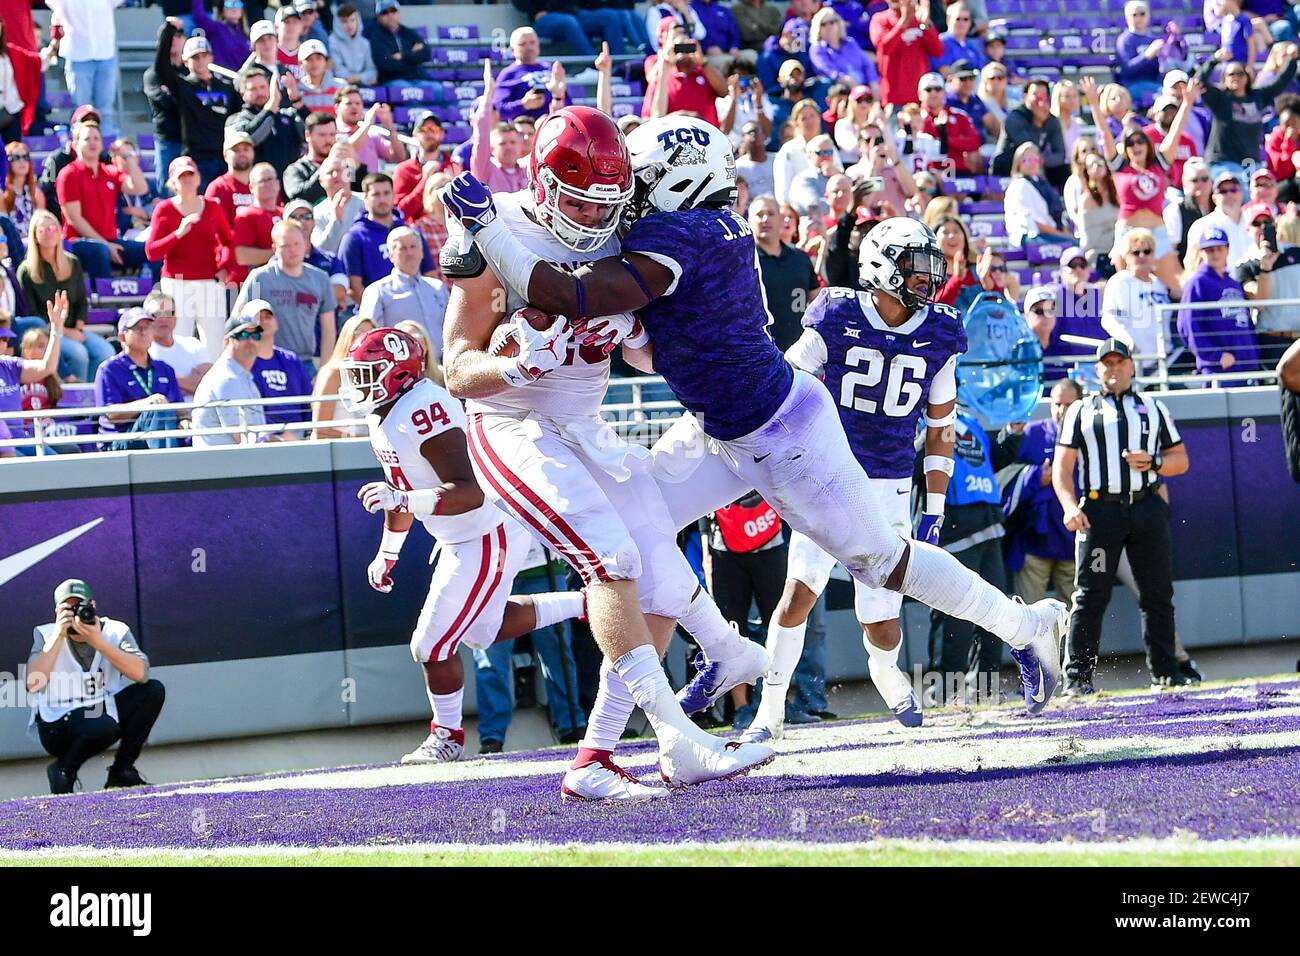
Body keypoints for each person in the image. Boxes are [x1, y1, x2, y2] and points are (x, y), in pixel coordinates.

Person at [441, 117, 1071, 730]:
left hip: (781, 434)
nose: (629, 193)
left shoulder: (689, 234)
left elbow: (571, 293)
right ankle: (693, 672)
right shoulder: (695, 229)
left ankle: (1027, 625)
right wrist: (625, 327)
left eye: (645, 178)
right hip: (718, 429)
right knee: (643, 537)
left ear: (679, 182)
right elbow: (653, 344)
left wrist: (488, 227)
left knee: (883, 561)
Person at [438, 107, 775, 790]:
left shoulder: (621, 224)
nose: (593, 222)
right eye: (579, 203)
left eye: (605, 207)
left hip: (585, 424)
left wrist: (633, 333)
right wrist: (513, 368)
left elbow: (649, 357)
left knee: (654, 553)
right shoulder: (497, 230)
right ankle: (679, 738)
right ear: (539, 182)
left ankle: (597, 757)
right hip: (511, 423)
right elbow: (456, 368)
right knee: (612, 558)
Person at [752, 255, 964, 735]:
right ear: (884, 269)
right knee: (799, 592)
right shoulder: (837, 314)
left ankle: (885, 671)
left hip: (889, 485)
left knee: (882, 619)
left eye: (932, 269)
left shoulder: (942, 331)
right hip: (828, 473)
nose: (929, 280)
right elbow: (779, 384)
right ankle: (771, 706)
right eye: (916, 268)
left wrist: (934, 507)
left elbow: (941, 428)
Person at [1053, 338, 1191, 694]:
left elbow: (1181, 460)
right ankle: (1078, 679)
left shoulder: (1153, 407)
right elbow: (1062, 469)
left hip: (1146, 506)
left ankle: (1165, 673)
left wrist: (1154, 462)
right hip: (1100, 511)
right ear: (1097, 370)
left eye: (1120, 362)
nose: (1114, 369)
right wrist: (1070, 507)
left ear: (1132, 366)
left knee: (1157, 592)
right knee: (1089, 594)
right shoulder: (1080, 411)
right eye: (1107, 363)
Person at [26, 579, 165, 794]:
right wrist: (58, 636)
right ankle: (64, 770)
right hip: (57, 722)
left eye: (80, 607)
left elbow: (141, 674)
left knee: (152, 691)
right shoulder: (46, 634)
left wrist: (98, 641)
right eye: (68, 608)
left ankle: (122, 770)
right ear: (56, 612)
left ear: (93, 605)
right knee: (102, 723)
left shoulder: (115, 631)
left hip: (103, 711)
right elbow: (33, 684)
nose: (75, 614)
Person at [1082, 76, 1193, 294]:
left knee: (1178, 286)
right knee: (1127, 288)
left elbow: (1175, 132)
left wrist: (1187, 103)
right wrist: (1094, 103)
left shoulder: (1160, 163)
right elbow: (1105, 134)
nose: (1136, 146)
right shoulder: (1119, 164)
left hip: (1158, 231)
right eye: (1131, 143)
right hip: (1128, 231)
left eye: (1141, 141)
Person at [701, 493, 791, 731]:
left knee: (779, 626)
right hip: (724, 549)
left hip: (771, 542)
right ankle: (741, 707)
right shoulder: (713, 456)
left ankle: (778, 702)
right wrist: (705, 553)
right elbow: (701, 496)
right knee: (732, 631)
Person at [1003, 379, 1082, 610]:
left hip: (1073, 541)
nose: (1062, 411)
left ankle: (1075, 650)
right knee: (1029, 617)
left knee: (1076, 615)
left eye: (1069, 405)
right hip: (1033, 544)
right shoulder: (1032, 433)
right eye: (1057, 404)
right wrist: (1035, 477)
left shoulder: (1090, 434)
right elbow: (1005, 479)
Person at [145, 156, 234, 358]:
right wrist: (177, 233)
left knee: (215, 342)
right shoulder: (165, 209)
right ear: (172, 182)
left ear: (198, 178)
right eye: (181, 176)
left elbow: (228, 241)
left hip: (209, 282)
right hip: (177, 283)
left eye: (190, 174)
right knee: (178, 338)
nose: (186, 179)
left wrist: (224, 268)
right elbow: (152, 252)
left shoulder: (212, 206)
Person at [55, 122, 150, 282]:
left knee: (149, 250)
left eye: (96, 138)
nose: (92, 142)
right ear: (75, 144)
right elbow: (75, 219)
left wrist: (127, 157)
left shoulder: (109, 172)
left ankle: (156, 300)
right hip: (78, 241)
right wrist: (105, 245)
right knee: (99, 251)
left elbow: (140, 188)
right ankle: (106, 302)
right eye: (87, 139)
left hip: (110, 240)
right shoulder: (68, 174)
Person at [234, 219, 335, 366]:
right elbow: (239, 320)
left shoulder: (320, 279)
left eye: (297, 244)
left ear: (306, 244)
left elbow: (329, 330)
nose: (292, 250)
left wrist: (324, 370)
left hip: (304, 362)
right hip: (264, 359)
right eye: (285, 245)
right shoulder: (259, 278)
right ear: (274, 248)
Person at [1194, 44, 1299, 183]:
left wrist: (1292, 59)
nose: (1236, 77)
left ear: (1247, 77)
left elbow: (1280, 82)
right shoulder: (1220, 98)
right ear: (1224, 78)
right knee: (1240, 192)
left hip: (1250, 163)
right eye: (1231, 74)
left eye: (1240, 73)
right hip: (1223, 163)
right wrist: (1214, 60)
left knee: (1262, 191)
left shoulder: (1258, 96)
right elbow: (1199, 82)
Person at [156, 22, 240, 189]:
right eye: (195, 57)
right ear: (185, 61)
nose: (200, 61)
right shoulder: (183, 87)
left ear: (211, 57)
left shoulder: (227, 87)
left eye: (204, 55)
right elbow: (161, 67)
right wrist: (169, 30)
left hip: (224, 159)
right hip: (197, 160)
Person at [93, 307, 186, 449]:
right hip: (121, 439)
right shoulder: (109, 369)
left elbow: (180, 408)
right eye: (137, 328)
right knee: (156, 410)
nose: (144, 332)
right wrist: (148, 403)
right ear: (122, 337)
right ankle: (167, 464)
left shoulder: (165, 369)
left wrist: (186, 420)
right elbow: (111, 413)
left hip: (162, 433)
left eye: (148, 327)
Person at [1178, 227, 1260, 384]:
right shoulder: (1197, 283)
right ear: (1201, 252)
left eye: (1219, 248)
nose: (1215, 254)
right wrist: (1215, 356)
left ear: (1227, 250)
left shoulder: (1234, 284)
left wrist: (1252, 355)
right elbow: (1188, 325)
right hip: (1219, 370)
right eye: (1209, 250)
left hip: (1246, 367)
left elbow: (1245, 322)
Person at [340, 173, 433, 306]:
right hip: (376, 317)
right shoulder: (354, 238)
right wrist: (378, 312)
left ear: (393, 195)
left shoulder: (410, 232)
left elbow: (429, 273)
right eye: (376, 194)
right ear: (365, 198)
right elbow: (354, 288)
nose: (382, 199)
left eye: (386, 193)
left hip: (416, 314)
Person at [359, 226, 449, 352]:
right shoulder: (378, 291)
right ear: (391, 255)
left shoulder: (437, 287)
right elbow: (369, 339)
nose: (410, 253)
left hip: (442, 365)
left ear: (422, 252)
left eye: (413, 247)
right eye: (403, 248)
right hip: (403, 368)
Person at [749, 194, 820, 350]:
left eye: (771, 213)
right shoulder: (743, 262)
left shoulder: (800, 258)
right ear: (749, 221)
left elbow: (817, 303)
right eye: (759, 215)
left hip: (800, 355)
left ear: (781, 219)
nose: (765, 219)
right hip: (761, 354)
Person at [190, 312, 270, 446]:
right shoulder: (226, 378)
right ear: (227, 341)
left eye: (255, 335)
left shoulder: (240, 376)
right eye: (243, 335)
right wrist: (280, 440)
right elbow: (244, 438)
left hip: (234, 461)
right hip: (223, 463)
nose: (251, 341)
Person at [1235, 207, 1300, 366]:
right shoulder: (1244, 266)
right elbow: (1261, 304)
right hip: (1273, 341)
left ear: (1275, 225)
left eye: (1267, 222)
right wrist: (1265, 267)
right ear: (1247, 230)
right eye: (1257, 223)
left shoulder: (1296, 252)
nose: (1263, 228)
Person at [1101, 227, 1173, 368]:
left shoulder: (1161, 284)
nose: (1142, 256)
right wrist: (1126, 341)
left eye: (1147, 251)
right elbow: (1109, 319)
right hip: (1137, 362)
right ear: (1126, 256)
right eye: (1135, 252)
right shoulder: (1119, 282)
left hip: (1167, 360)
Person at [47, 0, 120, 140]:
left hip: (106, 53)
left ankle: (105, 152)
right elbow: (56, 9)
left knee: (106, 110)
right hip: (78, 55)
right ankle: (79, 149)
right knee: (80, 109)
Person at [0, 294, 62, 457]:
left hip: (21, 438)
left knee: (58, 466)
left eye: (5, 338)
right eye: (0, 337)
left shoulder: (9, 364)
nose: (3, 343)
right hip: (2, 445)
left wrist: (56, 330)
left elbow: (46, 367)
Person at [240, 298, 312, 430]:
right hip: (265, 435)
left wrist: (309, 432)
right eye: (258, 318)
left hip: (298, 432)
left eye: (268, 317)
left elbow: (307, 400)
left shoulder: (292, 360)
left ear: (276, 322)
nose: (264, 321)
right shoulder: (243, 364)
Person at [226, 64, 308, 180]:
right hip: (258, 186)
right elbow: (251, 138)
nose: (259, 93)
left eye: (263, 87)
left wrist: (297, 101)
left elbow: (314, 132)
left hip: (289, 185)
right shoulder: (235, 120)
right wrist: (271, 108)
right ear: (242, 94)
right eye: (253, 89)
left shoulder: (287, 116)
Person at [991, 78, 1067, 187]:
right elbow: (1028, 149)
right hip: (1008, 166)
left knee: (1065, 171)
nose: (1040, 99)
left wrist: (1043, 160)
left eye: (1043, 95)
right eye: (1035, 94)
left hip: (1035, 163)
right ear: (1025, 96)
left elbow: (1060, 154)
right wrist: (1038, 124)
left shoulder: (1051, 120)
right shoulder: (1014, 117)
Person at [870, 0, 943, 108]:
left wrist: (926, 23)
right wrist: (904, 21)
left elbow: (938, 51)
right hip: (894, 101)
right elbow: (884, 48)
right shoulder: (880, 19)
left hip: (920, 100)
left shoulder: (919, 20)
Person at [311, 313, 373, 439]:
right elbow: (320, 430)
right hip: (337, 451)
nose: (365, 340)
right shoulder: (333, 372)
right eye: (359, 333)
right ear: (347, 336)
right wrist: (355, 438)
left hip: (370, 450)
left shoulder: (375, 374)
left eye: (371, 335)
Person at [145, 288, 211, 401]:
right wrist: (192, 382)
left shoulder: (193, 344)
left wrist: (167, 381)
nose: (164, 318)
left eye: (169, 313)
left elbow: (210, 384)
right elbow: (152, 391)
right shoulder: (144, 352)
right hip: (166, 417)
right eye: (157, 314)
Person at [1004, 142, 1072, 247]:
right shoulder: (1019, 185)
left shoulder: (1042, 184)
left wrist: (1064, 233)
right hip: (1029, 237)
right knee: (1072, 244)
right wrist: (1061, 235)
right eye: (1027, 160)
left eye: (1035, 159)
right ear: (1018, 163)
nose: (1032, 163)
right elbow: (1033, 223)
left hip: (1048, 234)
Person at [1184, 170, 1252, 270]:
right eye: (1223, 191)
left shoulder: (1254, 220)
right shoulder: (1202, 225)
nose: (1229, 194)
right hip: (1220, 284)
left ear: (1241, 194)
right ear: (1214, 198)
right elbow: (1192, 264)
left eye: (1233, 190)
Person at [919, 71, 984, 174]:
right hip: (928, 172)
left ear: (944, 92)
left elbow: (975, 141)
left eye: (938, 89)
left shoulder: (959, 115)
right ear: (920, 94)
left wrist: (946, 140)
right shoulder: (917, 118)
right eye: (928, 89)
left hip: (957, 169)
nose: (933, 93)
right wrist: (954, 141)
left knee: (975, 155)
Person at [230, 162, 282, 287]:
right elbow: (242, 256)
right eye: (262, 181)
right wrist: (281, 253)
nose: (267, 184)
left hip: (279, 284)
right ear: (251, 187)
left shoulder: (285, 214)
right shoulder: (246, 215)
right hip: (249, 285)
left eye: (270, 179)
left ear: (278, 184)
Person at [335, 86, 401, 178]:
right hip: (348, 186)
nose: (354, 107)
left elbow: (398, 157)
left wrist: (389, 126)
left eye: (358, 103)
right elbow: (348, 150)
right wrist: (367, 124)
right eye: (348, 103)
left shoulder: (371, 134)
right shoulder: (332, 132)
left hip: (371, 188)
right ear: (337, 108)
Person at [393, 110, 447, 224]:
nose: (429, 133)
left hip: (452, 232)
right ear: (415, 135)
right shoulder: (404, 170)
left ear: (442, 134)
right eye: (423, 130)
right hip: (417, 234)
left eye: (434, 129)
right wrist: (424, 181)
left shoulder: (454, 166)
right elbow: (399, 213)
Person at [494, 27, 556, 123]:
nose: (529, 47)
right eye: (522, 44)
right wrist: (524, 104)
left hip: (550, 126)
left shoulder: (549, 68)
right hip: (523, 132)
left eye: (532, 42)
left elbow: (567, 103)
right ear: (512, 49)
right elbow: (498, 110)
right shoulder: (508, 74)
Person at [367, 0, 433, 87]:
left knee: (437, 89)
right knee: (407, 91)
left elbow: (426, 53)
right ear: (378, 17)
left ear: (399, 13)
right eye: (385, 12)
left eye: (393, 11)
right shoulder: (376, 37)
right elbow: (386, 64)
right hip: (391, 80)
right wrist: (413, 58)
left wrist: (402, 55)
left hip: (416, 78)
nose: (390, 15)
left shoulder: (408, 32)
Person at [809, 6, 877, 89]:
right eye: (823, 24)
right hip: (841, 91)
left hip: (865, 87)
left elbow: (867, 64)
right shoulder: (817, 49)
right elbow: (827, 70)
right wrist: (847, 80)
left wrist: (874, 84)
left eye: (832, 22)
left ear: (838, 23)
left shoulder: (851, 43)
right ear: (818, 28)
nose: (828, 26)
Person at [284, 111, 343, 205]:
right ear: (307, 135)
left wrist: (357, 165)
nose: (328, 140)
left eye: (332, 134)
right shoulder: (295, 169)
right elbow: (298, 197)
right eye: (322, 135)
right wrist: (326, 167)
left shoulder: (344, 166)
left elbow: (359, 189)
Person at [312, 154, 365, 256]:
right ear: (321, 181)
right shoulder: (317, 212)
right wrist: (336, 219)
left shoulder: (366, 201)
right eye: (330, 172)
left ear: (349, 175)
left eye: (339, 170)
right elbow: (321, 249)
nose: (335, 175)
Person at [204, 129, 256, 229]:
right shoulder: (218, 188)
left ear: (253, 153)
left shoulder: (264, 184)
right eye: (236, 150)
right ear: (225, 156)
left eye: (246, 149)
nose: (242, 153)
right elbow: (215, 228)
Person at [774, 99, 822, 205]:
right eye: (804, 118)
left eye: (812, 116)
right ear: (796, 123)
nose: (810, 121)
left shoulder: (828, 146)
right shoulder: (788, 150)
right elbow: (783, 190)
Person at [1165, 157, 1214, 262]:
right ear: (1184, 184)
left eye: (1205, 179)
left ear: (1211, 182)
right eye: (1194, 180)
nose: (1200, 184)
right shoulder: (1175, 211)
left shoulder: (1219, 208)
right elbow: (1169, 255)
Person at [1115, 1, 1164, 104]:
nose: (1139, 18)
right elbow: (1128, 68)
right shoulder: (1124, 40)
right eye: (1134, 15)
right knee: (1165, 94)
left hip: (1155, 83)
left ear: (1148, 16)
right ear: (1127, 18)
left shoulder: (1152, 39)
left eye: (1142, 14)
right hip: (1132, 85)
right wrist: (1147, 55)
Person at [787, 134, 842, 217]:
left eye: (829, 152)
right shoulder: (802, 179)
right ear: (809, 155)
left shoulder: (839, 175)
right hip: (816, 225)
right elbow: (816, 206)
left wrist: (839, 176)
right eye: (821, 153)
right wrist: (844, 206)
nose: (826, 156)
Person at [190, 0, 252, 73]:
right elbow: (199, 16)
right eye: (229, 4)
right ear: (222, 10)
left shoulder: (247, 34)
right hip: (223, 77)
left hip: (243, 78)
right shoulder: (216, 28)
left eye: (238, 4)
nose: (234, 8)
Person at [328, 3, 377, 87]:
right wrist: (355, 78)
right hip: (340, 85)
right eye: (344, 21)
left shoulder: (365, 43)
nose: (349, 25)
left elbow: (372, 69)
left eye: (352, 20)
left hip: (362, 83)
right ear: (337, 23)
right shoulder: (332, 41)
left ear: (358, 21)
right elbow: (336, 69)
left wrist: (360, 77)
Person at [296, 38, 338, 114]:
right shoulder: (297, 91)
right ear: (300, 64)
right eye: (309, 59)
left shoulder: (340, 87)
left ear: (326, 61)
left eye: (318, 58)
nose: (314, 63)